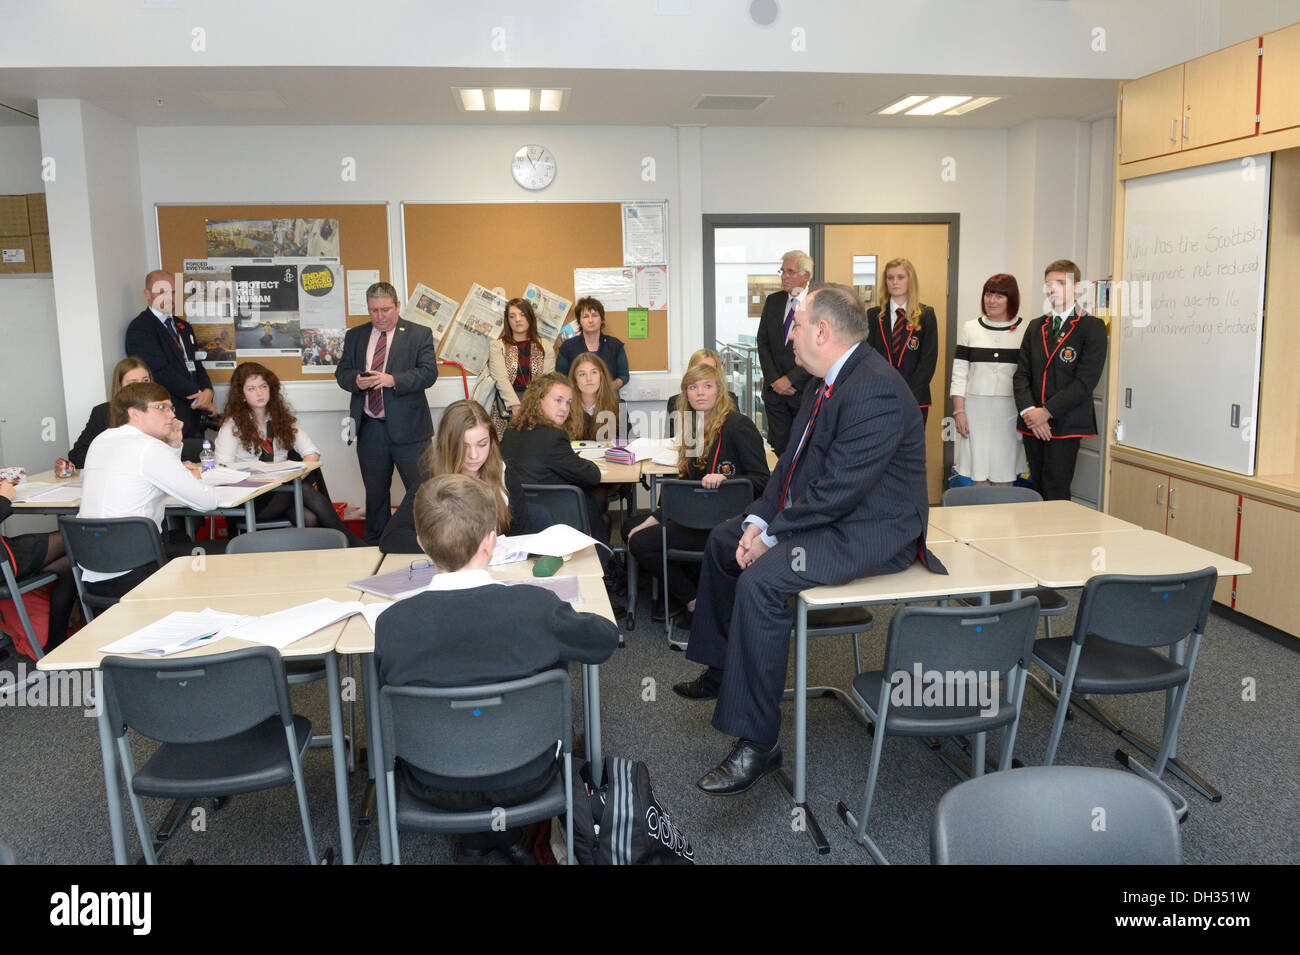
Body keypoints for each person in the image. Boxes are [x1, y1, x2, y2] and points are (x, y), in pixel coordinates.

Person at [676, 284, 946, 796]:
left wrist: (773, 539)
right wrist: (757, 520)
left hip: (874, 528)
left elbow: (838, 490)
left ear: (822, 331)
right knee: (722, 541)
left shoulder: (876, 388)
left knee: (760, 581)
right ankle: (723, 665)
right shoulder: (824, 381)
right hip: (834, 513)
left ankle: (758, 742)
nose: (790, 336)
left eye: (796, 325)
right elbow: (790, 467)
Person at [374, 473, 619, 863]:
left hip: (430, 781)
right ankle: (504, 836)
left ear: (421, 543)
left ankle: (478, 839)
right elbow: (604, 641)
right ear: (491, 541)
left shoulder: (391, 625)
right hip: (529, 774)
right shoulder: (535, 607)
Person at [622, 362, 768, 632]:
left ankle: (692, 600)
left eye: (707, 386)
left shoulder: (738, 426)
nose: (700, 392)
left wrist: (728, 479)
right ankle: (695, 596)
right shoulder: (691, 429)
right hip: (696, 517)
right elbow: (685, 487)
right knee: (630, 527)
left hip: (726, 524)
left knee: (640, 542)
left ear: (719, 391)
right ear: (685, 394)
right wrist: (653, 519)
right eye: (693, 387)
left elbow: (763, 481)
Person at [76, 382, 221, 600]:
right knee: (228, 550)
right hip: (138, 573)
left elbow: (156, 474)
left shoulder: (101, 440)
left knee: (179, 540)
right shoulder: (149, 448)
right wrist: (195, 479)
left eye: (171, 408)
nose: (171, 415)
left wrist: (174, 444)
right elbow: (206, 502)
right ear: (134, 413)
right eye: (161, 408)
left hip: (94, 574)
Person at [336, 281, 438, 544]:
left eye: (385, 310)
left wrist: (394, 380)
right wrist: (355, 381)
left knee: (422, 492)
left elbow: (429, 373)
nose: (379, 317)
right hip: (371, 427)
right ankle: (375, 547)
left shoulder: (419, 334)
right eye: (373, 311)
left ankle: (426, 543)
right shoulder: (355, 336)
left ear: (397, 306)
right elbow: (342, 372)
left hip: (410, 430)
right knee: (375, 494)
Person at [215, 362, 360, 543]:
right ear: (241, 395)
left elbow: (312, 453)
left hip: (281, 493)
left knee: (310, 518)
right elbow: (221, 470)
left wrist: (296, 477)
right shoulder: (232, 426)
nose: (259, 393)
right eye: (251, 388)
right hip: (248, 500)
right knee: (304, 492)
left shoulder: (282, 420)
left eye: (263, 386)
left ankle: (323, 556)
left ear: (271, 389)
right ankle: (350, 542)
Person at [381, 399, 534, 554]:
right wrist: (452, 549)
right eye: (463, 447)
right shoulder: (430, 480)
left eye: (482, 444)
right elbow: (391, 538)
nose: (474, 455)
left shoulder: (505, 476)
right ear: (448, 445)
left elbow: (523, 536)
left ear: (492, 441)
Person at [1013, 258, 1108, 500]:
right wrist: (1031, 412)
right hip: (1032, 423)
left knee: (1056, 490)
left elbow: (1085, 381)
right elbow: (1021, 374)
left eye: (1059, 283)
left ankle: (1055, 539)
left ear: (1076, 287)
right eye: (1048, 284)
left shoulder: (1091, 326)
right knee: (1036, 490)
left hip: (1066, 422)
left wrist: (1047, 411)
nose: (1051, 289)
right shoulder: (1036, 326)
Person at [500, 373, 607, 547]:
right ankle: (605, 562)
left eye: (568, 402)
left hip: (517, 518)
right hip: (554, 516)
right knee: (596, 495)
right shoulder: (555, 437)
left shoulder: (510, 432)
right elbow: (592, 475)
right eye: (558, 400)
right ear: (539, 400)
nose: (565, 408)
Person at [951, 274, 1029, 485]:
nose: (991, 300)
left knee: (1005, 475)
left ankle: (1003, 517)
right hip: (976, 410)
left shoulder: (1026, 330)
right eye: (988, 294)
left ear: (1011, 299)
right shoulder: (970, 328)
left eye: (999, 296)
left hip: (1010, 411)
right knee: (979, 476)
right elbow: (959, 372)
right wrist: (959, 412)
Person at [124, 270, 217, 441]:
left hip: (195, 418)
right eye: (162, 292)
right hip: (167, 419)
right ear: (147, 294)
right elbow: (159, 373)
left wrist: (208, 391)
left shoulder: (184, 327)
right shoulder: (140, 328)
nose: (170, 297)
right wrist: (199, 395)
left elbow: (197, 365)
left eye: (173, 292)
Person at [0, 482, 76, 652]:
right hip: (8, 560)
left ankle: (56, 644)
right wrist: (4, 498)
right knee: (73, 540)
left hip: (8, 553)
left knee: (68, 563)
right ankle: (56, 644)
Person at [866, 257, 939, 423]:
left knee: (911, 447)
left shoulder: (926, 315)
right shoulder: (874, 315)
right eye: (890, 278)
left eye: (900, 277)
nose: (894, 282)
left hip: (915, 399)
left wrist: (907, 395)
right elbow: (869, 358)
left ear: (910, 280)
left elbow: (928, 361)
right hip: (881, 397)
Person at [756, 251, 814, 455]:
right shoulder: (773, 301)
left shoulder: (818, 303)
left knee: (804, 452)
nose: (784, 276)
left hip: (804, 391)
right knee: (779, 451)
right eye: (783, 271)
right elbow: (762, 342)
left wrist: (790, 379)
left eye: (790, 271)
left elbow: (819, 348)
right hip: (775, 395)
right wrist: (774, 380)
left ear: (806, 276)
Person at [486, 298, 556, 438]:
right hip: (506, 406)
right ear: (507, 321)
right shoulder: (498, 346)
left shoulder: (545, 346)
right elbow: (501, 379)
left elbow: (547, 381)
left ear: (530, 317)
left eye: (522, 314)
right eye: (512, 316)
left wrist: (532, 406)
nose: (518, 319)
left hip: (537, 405)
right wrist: (515, 405)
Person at [68, 357, 153, 469]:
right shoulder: (102, 412)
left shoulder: (161, 408)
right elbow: (77, 456)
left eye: (145, 380)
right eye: (133, 383)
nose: (141, 387)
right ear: (120, 386)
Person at [555, 297, 629, 392]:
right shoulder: (567, 347)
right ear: (579, 321)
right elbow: (560, 377)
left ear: (601, 319)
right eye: (585, 316)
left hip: (608, 399)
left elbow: (624, 376)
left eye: (595, 315)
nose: (590, 320)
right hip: (577, 401)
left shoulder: (615, 345)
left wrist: (610, 387)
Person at [666, 348, 740, 438]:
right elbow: (672, 442)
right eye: (701, 369)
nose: (706, 374)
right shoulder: (675, 403)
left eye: (711, 369)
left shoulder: (730, 399)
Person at [568, 353, 633, 442]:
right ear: (575, 380)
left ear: (602, 377)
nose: (589, 378)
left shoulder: (618, 405)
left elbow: (629, 443)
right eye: (582, 374)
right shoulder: (566, 407)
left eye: (594, 372)